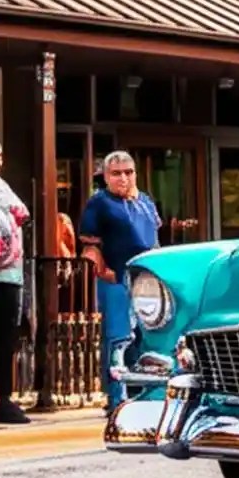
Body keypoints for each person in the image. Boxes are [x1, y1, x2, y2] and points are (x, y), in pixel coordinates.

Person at [78, 151, 161, 416]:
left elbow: (154, 238)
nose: (123, 178)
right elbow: (89, 244)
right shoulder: (100, 202)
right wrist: (104, 270)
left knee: (145, 338)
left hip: (146, 281)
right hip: (116, 278)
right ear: (106, 176)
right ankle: (117, 398)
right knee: (118, 339)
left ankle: (144, 393)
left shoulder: (145, 201)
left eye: (128, 172)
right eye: (116, 173)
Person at [0, 134, 30, 424]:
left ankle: (3, 398)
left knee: (5, 339)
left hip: (7, 274)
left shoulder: (3, 189)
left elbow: (22, 215)